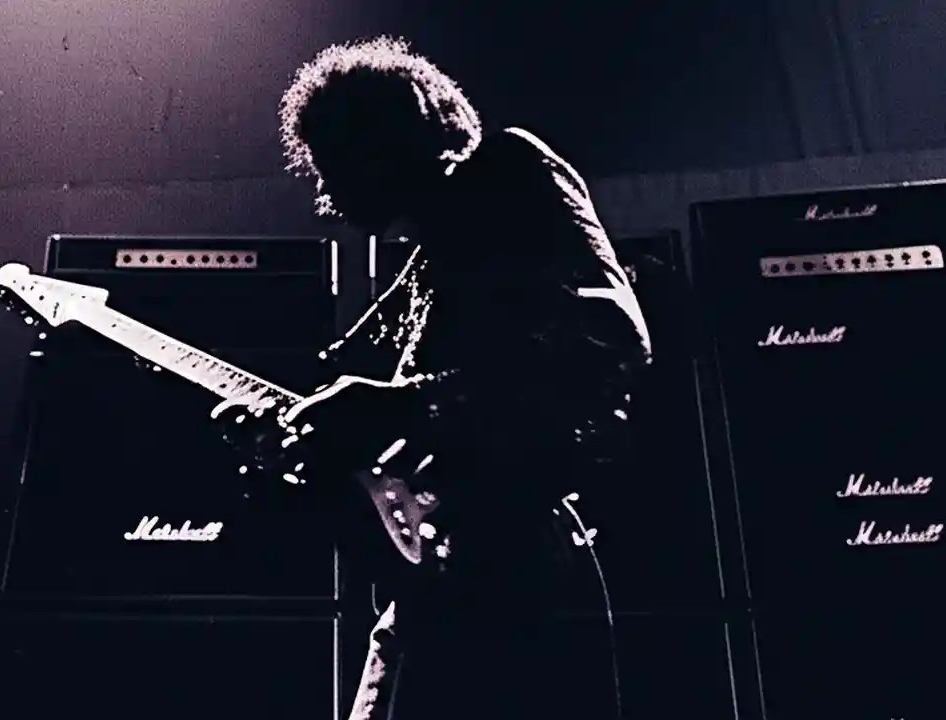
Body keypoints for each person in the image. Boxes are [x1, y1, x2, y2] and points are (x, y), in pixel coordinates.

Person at [219, 36, 652, 719]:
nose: (323, 186)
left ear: (395, 134)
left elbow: (610, 339)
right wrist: (291, 448)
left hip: (519, 581)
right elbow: (394, 436)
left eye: (336, 154)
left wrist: (392, 406)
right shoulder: (426, 264)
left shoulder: (511, 168)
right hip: (438, 590)